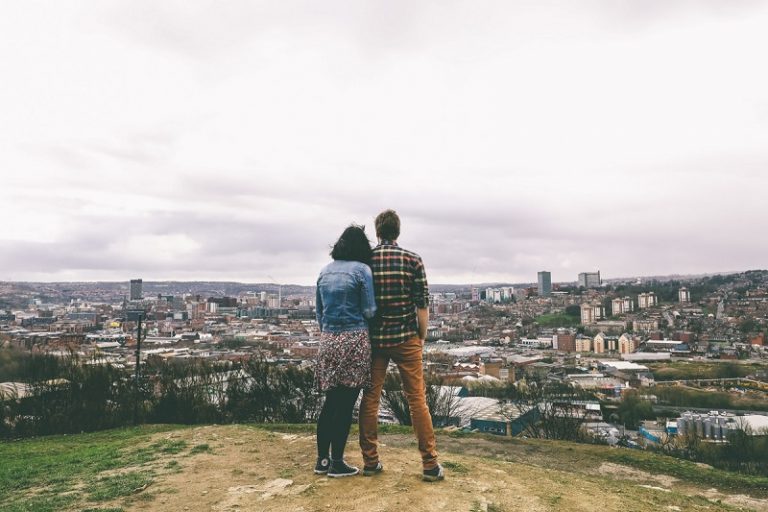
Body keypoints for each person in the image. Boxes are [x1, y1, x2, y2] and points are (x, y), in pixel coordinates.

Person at [358, 209, 444, 482]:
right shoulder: (413, 260)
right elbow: (422, 304)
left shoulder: (365, 262)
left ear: (377, 232)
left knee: (370, 399)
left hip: (375, 340)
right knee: (417, 399)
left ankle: (371, 461)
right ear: (398, 231)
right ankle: (429, 464)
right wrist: (421, 336)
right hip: (406, 337)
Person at [314, 224, 377, 478]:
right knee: (347, 402)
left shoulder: (324, 271)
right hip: (354, 339)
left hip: (328, 340)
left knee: (330, 402)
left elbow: (319, 313)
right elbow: (370, 310)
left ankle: (322, 461)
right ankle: (338, 461)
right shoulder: (363, 270)